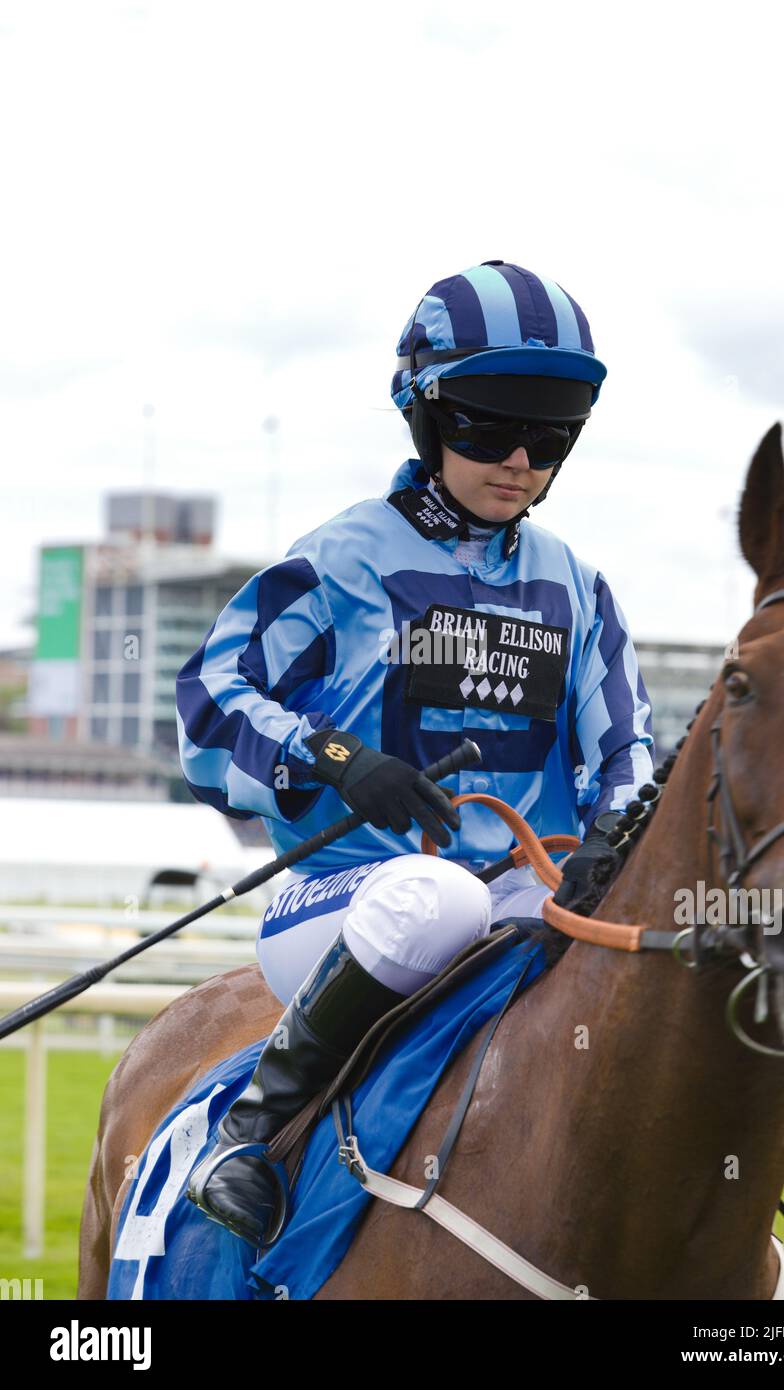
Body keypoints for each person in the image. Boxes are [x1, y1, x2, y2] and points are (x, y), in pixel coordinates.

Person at [177, 258, 654, 1247]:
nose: (520, 457)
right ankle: (250, 1136)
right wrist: (335, 755)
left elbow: (625, 756)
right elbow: (207, 703)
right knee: (440, 897)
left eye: (550, 434)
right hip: (348, 903)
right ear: (427, 415)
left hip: (521, 896)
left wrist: (616, 834)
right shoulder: (343, 558)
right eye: (488, 423)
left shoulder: (578, 587)